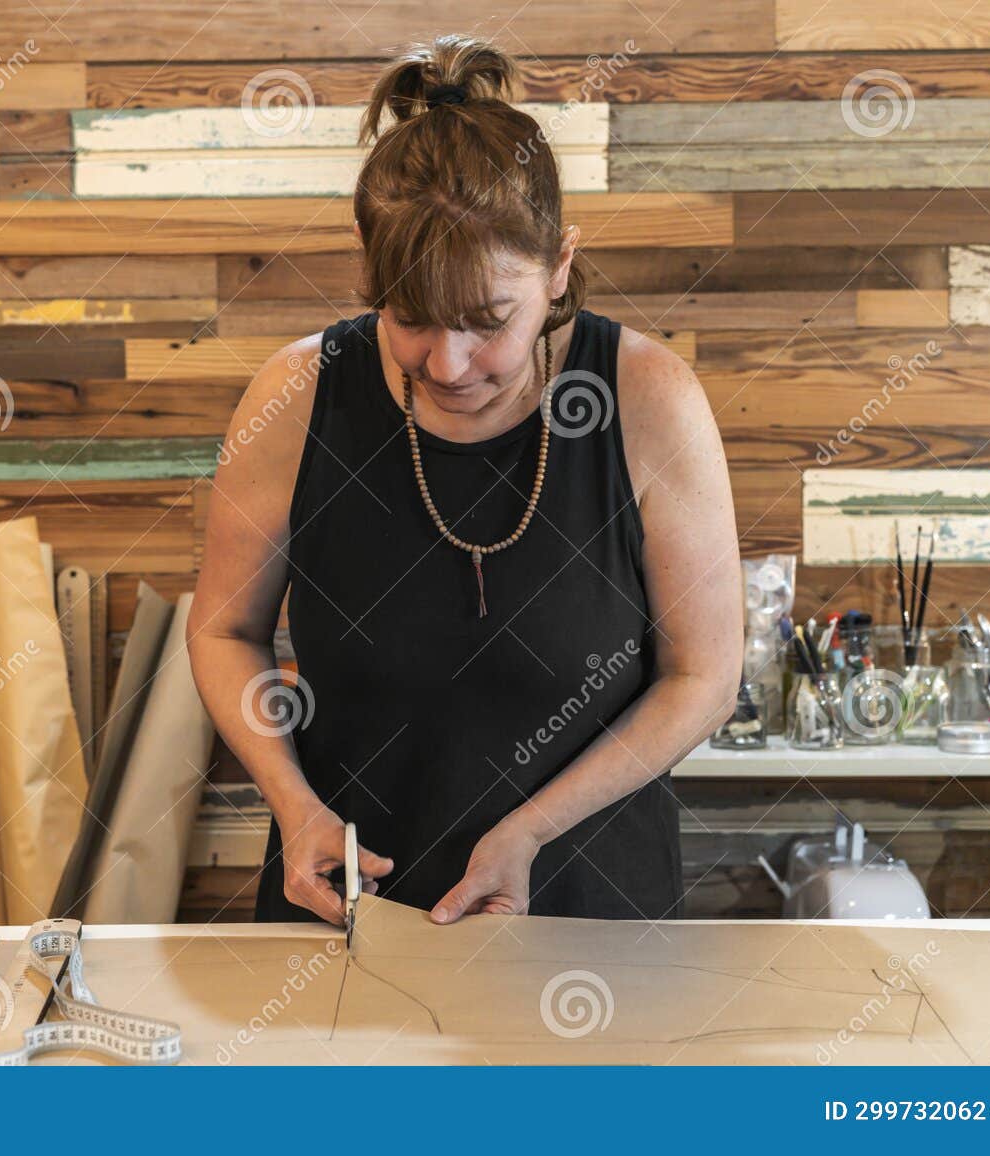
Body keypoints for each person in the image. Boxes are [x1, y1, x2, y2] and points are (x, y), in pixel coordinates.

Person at [188, 33, 741, 927]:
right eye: (409, 317)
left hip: (586, 913)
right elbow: (225, 633)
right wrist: (292, 806)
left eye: (488, 320)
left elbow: (704, 677)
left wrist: (529, 830)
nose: (446, 363)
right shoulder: (296, 396)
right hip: (349, 912)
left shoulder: (648, 399)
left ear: (559, 266)